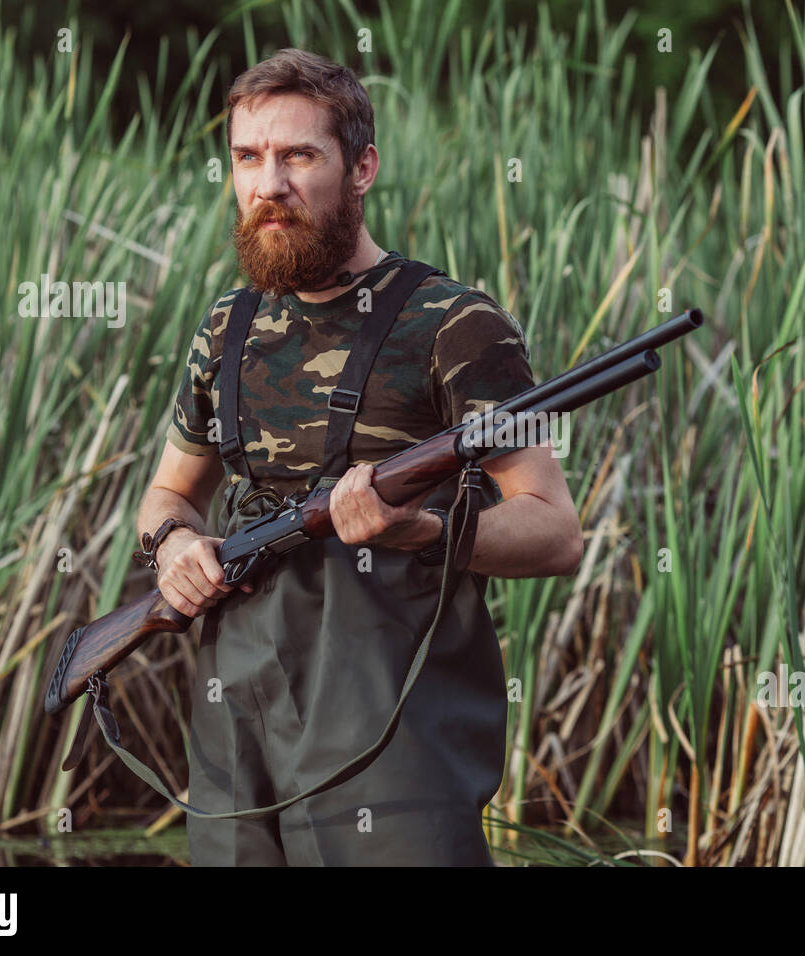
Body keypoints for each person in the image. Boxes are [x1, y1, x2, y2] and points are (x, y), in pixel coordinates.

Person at [133, 48, 583, 866]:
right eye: (247, 158)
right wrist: (174, 545)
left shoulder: (454, 324)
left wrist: (420, 530)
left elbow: (555, 532)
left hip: (391, 742)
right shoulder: (227, 327)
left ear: (362, 166)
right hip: (238, 728)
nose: (269, 183)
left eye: (299, 155)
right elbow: (169, 491)